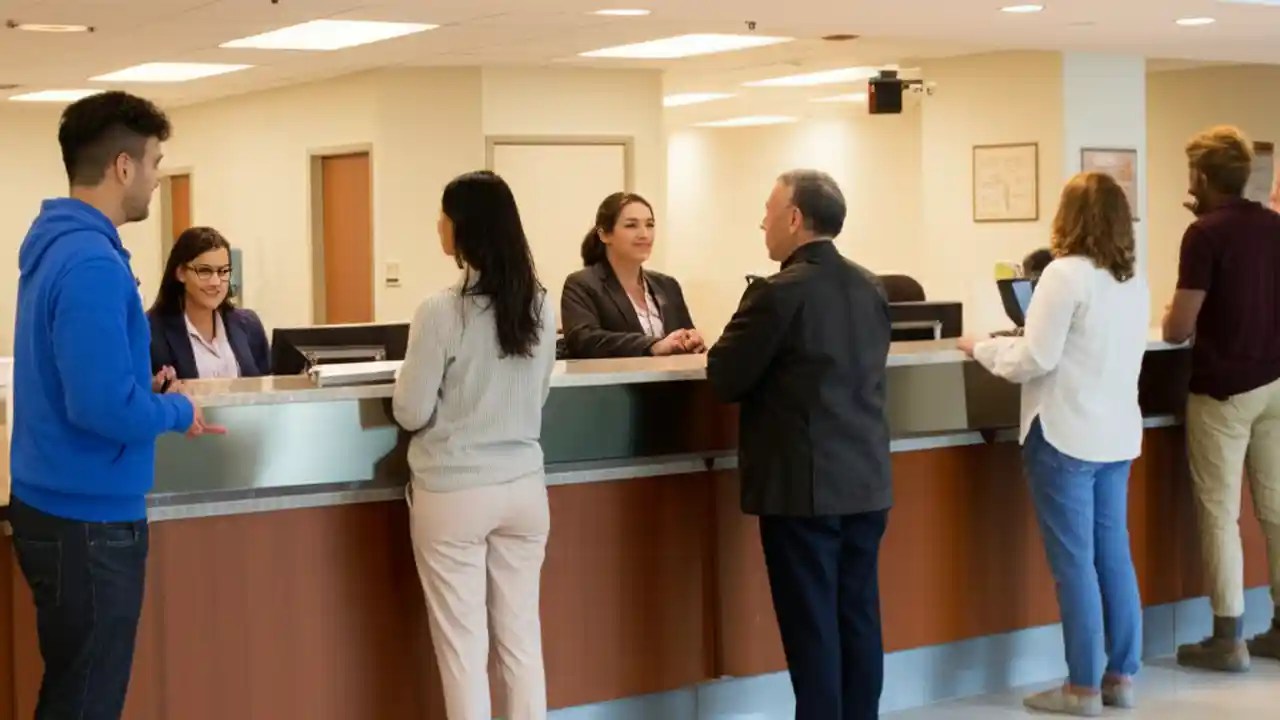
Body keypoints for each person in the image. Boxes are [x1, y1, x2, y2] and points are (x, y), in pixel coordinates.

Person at [9, 90, 223, 719]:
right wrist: (177, 412)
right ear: (123, 167)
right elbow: (101, 409)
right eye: (155, 163)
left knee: (76, 689)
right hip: (89, 524)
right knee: (87, 700)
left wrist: (140, 387)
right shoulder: (92, 264)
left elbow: (85, 381)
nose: (157, 180)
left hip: (60, 505)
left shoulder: (57, 248)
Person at [960, 172, 1148, 716]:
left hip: (1064, 435)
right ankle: (1120, 677)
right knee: (1113, 556)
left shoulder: (1063, 275)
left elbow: (1034, 359)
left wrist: (981, 349)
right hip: (1115, 435)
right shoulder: (1131, 278)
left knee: (1074, 566)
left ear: (1068, 218)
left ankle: (1081, 688)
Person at [706, 170, 892, 720]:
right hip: (865, 478)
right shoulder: (870, 285)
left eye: (768, 210)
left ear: (793, 219)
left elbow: (724, 376)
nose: (762, 222)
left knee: (811, 628)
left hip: (802, 487)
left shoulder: (776, 293)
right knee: (857, 618)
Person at [393, 170, 557, 720]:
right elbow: (537, 394)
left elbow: (411, 410)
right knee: (521, 641)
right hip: (524, 488)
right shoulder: (539, 303)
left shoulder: (442, 310)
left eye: (444, 214)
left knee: (463, 648)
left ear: (463, 228)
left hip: (455, 491)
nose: (438, 225)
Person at [1162, 125, 1280, 672]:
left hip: (1224, 390)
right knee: (1277, 509)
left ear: (1203, 178)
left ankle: (1227, 636)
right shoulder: (1274, 227)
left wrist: (1171, 312)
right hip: (1275, 384)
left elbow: (1177, 327)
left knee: (1219, 513)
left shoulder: (1204, 235)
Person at [560, 191, 703, 358]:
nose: (644, 234)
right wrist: (653, 346)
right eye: (631, 225)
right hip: (616, 383)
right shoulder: (582, 284)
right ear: (604, 234)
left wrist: (690, 341)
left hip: (673, 381)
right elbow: (583, 340)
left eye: (649, 225)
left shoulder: (668, 285)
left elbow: (685, 341)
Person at [148, 226, 269, 380]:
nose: (215, 282)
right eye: (205, 271)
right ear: (181, 273)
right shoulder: (152, 330)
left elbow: (267, 387)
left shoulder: (248, 324)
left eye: (223, 271)